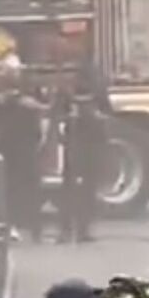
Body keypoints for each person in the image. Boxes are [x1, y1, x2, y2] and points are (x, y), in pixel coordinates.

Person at [0, 57, 49, 240]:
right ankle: (10, 225)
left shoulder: (30, 92)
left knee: (30, 186)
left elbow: (43, 111)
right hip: (5, 145)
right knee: (7, 187)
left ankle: (35, 227)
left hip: (25, 144)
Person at [55, 75, 111, 244]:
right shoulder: (95, 92)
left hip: (79, 144)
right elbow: (107, 114)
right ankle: (79, 230)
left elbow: (57, 117)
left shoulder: (66, 92)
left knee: (74, 188)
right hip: (82, 143)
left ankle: (71, 230)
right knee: (84, 188)